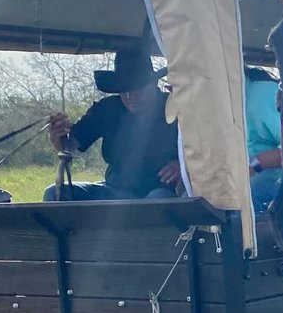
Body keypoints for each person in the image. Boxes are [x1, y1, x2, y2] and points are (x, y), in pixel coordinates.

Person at [44, 44, 182, 201]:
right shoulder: (107, 109)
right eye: (124, 89)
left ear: (153, 83)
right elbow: (69, 145)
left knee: (158, 199)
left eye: (137, 88)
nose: (130, 96)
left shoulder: (175, 107)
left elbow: (204, 150)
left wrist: (182, 167)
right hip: (114, 192)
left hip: (160, 191)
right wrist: (57, 135)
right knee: (54, 193)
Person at [244, 65, 283, 212]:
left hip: (281, 175)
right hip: (247, 174)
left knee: (246, 195)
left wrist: (253, 164)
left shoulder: (262, 94)